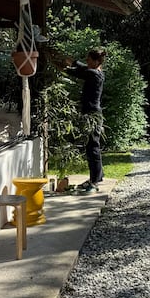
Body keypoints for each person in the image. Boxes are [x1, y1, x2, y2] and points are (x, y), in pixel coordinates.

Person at [64, 48, 106, 191]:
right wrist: (72, 61)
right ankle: (97, 177)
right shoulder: (96, 72)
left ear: (96, 61)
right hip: (92, 114)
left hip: (92, 115)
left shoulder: (93, 74)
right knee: (92, 146)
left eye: (89, 59)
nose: (86, 61)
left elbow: (76, 71)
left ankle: (95, 181)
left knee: (92, 147)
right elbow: (82, 67)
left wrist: (61, 65)